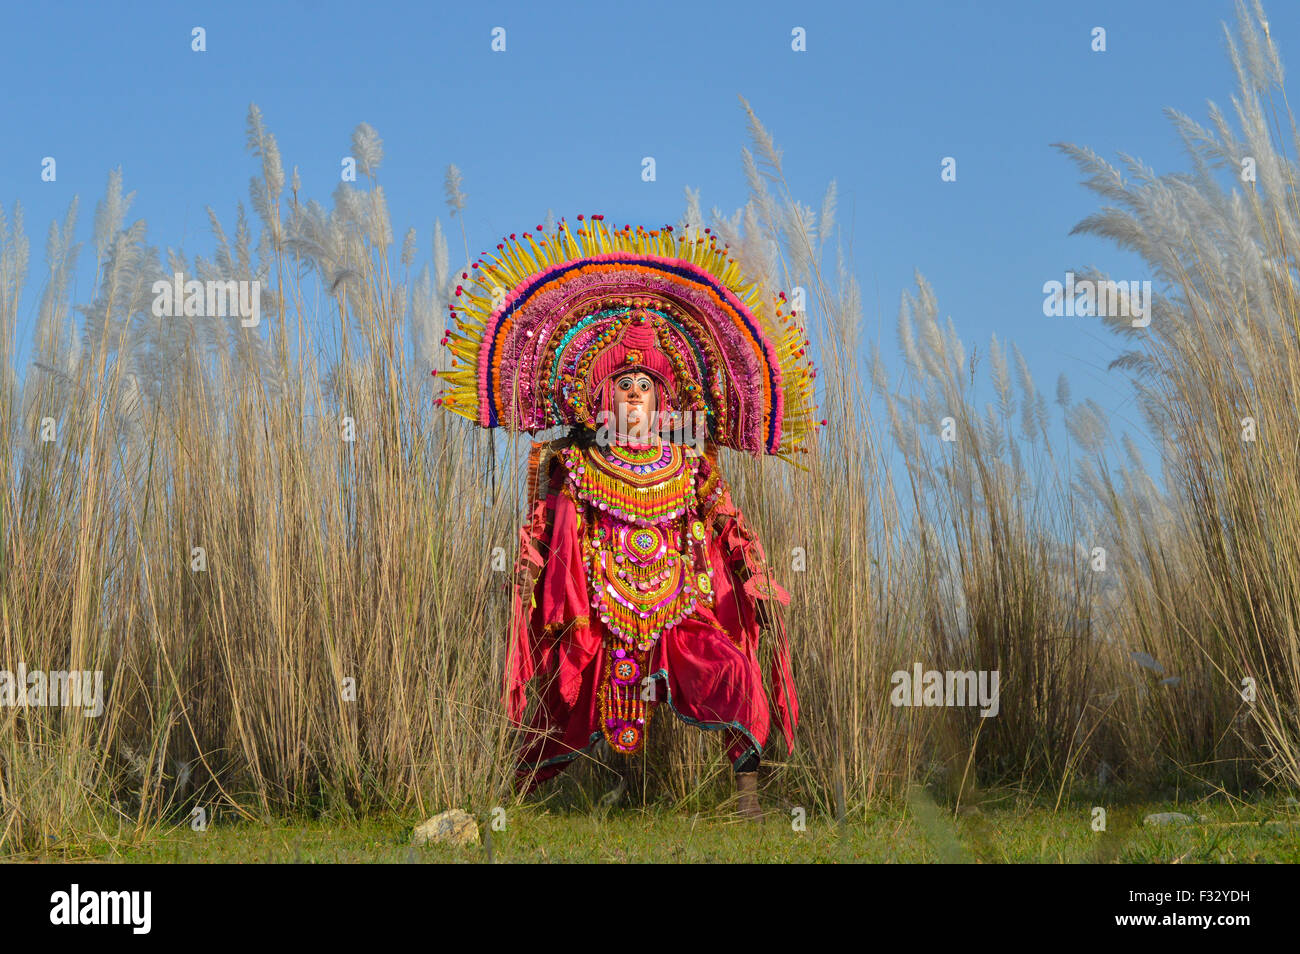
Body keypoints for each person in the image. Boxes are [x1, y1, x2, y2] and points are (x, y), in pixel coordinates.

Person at [434, 216, 817, 817]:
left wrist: (756, 577)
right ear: (602, 394)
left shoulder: (690, 463)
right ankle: (519, 807)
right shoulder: (574, 460)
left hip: (679, 611)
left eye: (644, 383)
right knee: (563, 690)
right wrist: (526, 574)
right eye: (623, 383)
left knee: (736, 675)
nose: (634, 393)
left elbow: (729, 525)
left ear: (663, 398)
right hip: (600, 611)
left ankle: (749, 804)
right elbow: (541, 528)